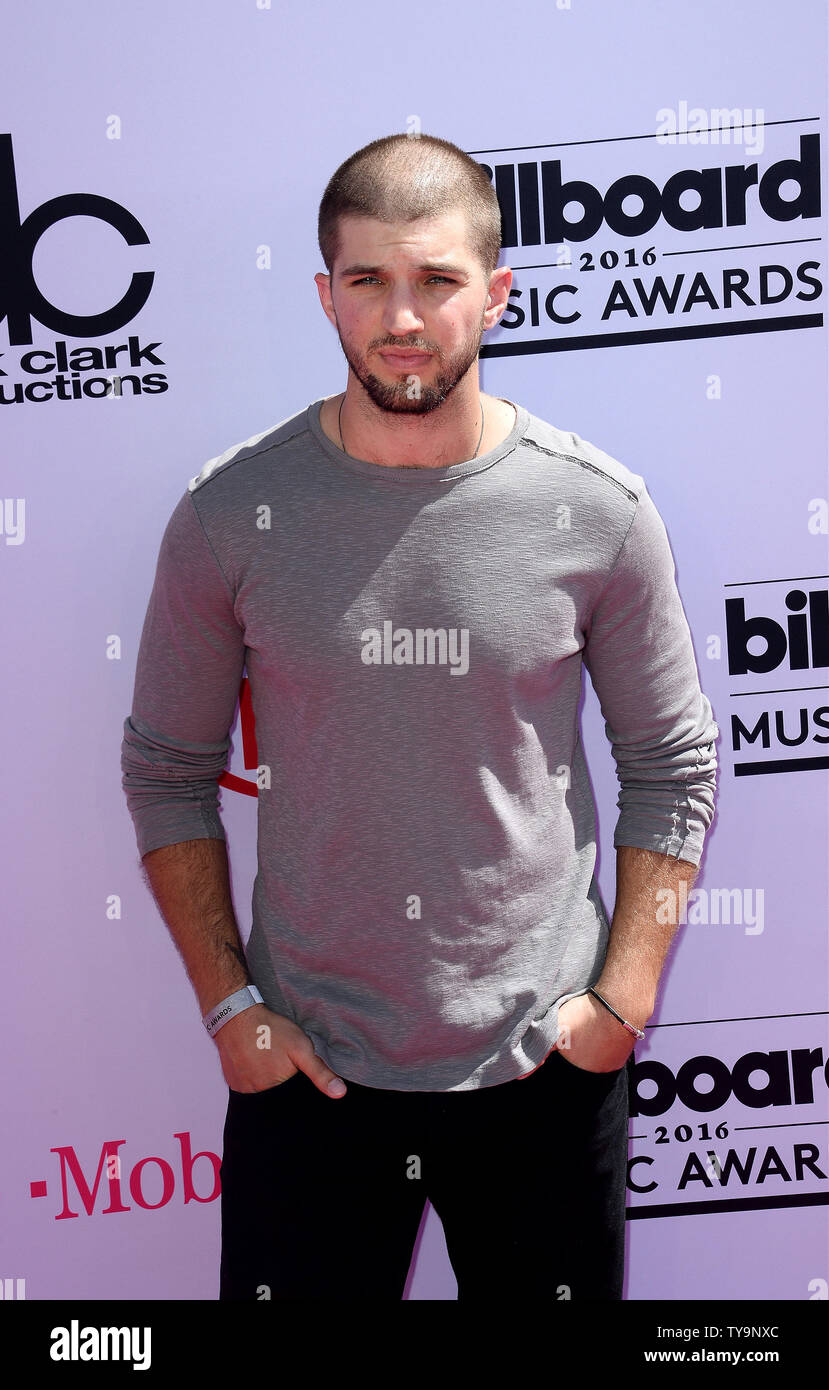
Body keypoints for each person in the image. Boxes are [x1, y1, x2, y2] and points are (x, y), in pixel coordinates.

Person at [120, 132, 719, 1301]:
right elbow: (166, 770)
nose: (402, 318)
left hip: (544, 1066)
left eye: (436, 280)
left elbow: (672, 764)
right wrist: (233, 1010)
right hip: (309, 1077)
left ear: (495, 294)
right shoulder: (232, 516)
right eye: (368, 282)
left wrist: (622, 1002)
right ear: (324, 296)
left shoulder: (594, 510)